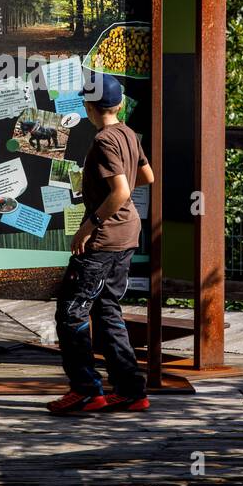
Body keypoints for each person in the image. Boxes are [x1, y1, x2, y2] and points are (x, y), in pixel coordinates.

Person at [48, 70, 156, 414]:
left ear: (89, 107)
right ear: (120, 104)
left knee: (70, 313)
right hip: (127, 235)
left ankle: (85, 390)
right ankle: (130, 390)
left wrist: (90, 225)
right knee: (107, 310)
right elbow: (146, 176)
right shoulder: (128, 134)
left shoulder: (104, 140)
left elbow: (121, 190)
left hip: (104, 239)